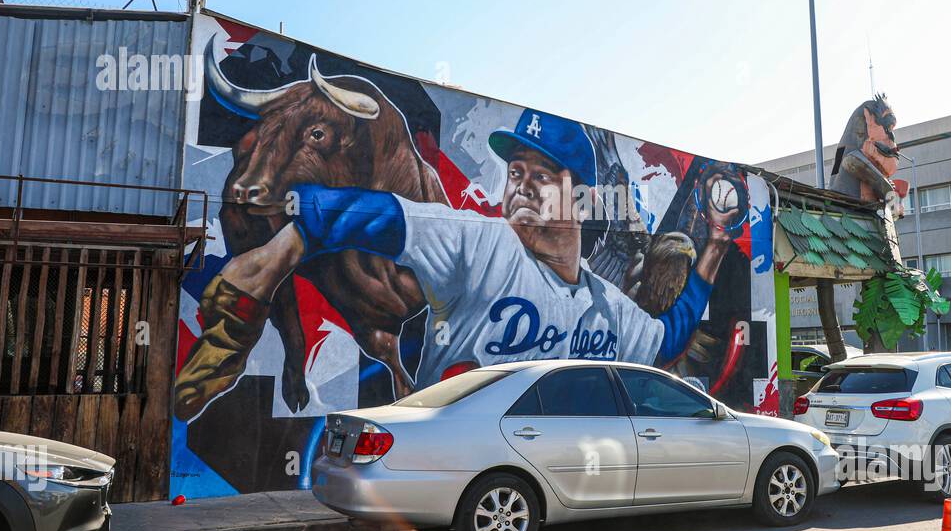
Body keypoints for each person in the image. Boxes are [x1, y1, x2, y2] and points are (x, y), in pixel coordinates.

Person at [175, 108, 741, 417]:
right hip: (454, 450)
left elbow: (668, 337)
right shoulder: (481, 243)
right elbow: (373, 216)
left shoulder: (609, 308)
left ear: (586, 200)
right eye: (514, 173)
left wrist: (714, 245)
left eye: (540, 177)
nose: (519, 185)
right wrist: (283, 249)